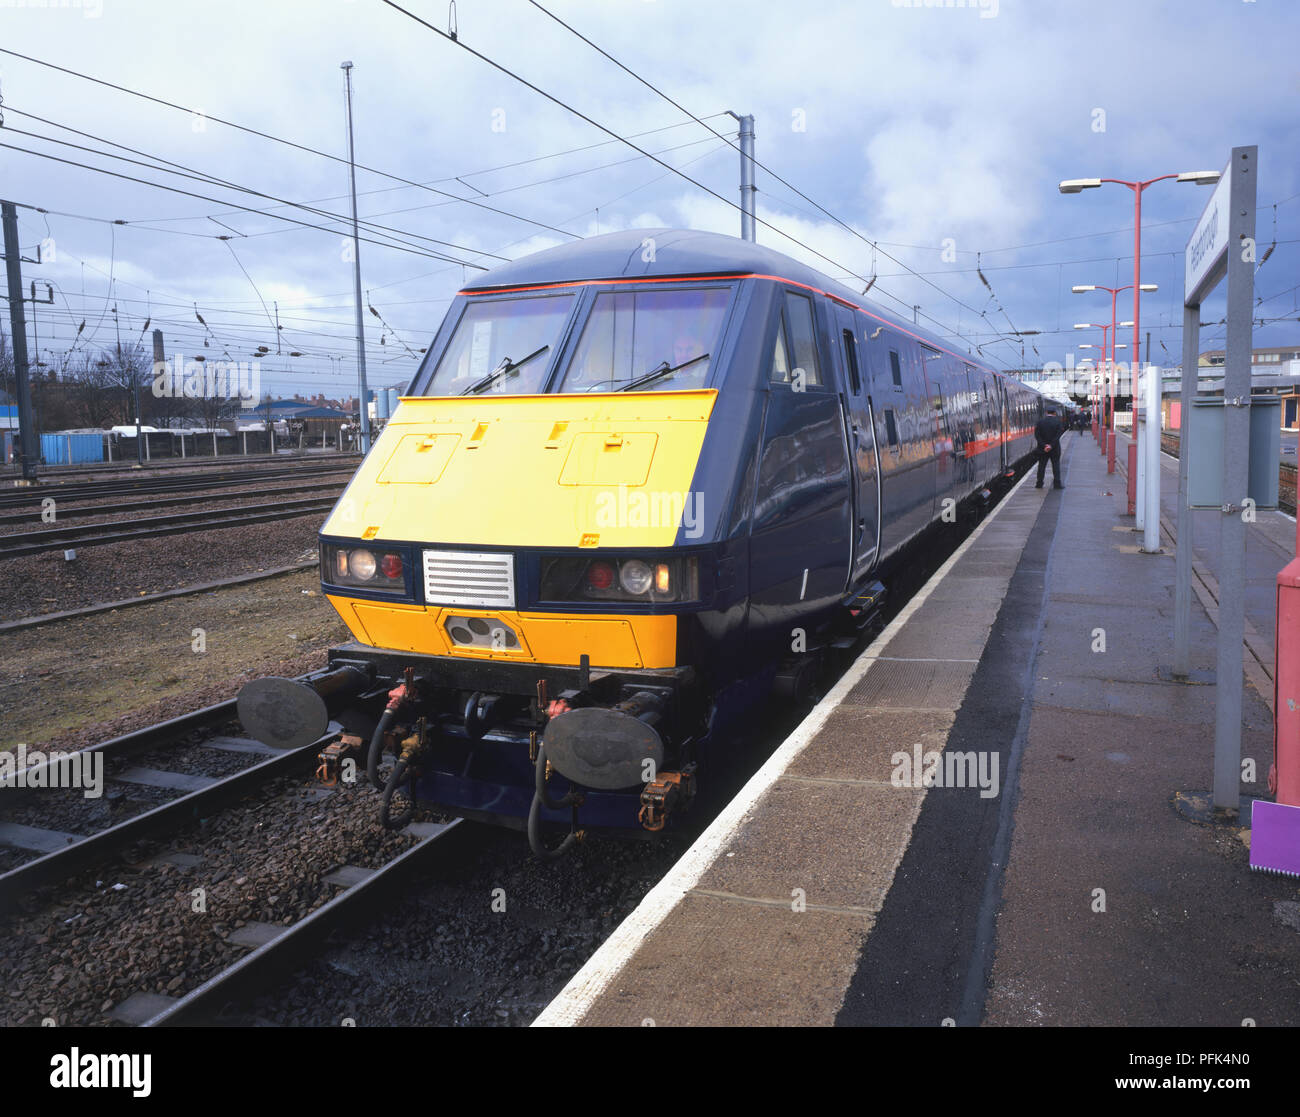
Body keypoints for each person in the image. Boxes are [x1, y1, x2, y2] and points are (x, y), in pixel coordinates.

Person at [1034, 406, 1065, 489]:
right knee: (1056, 466)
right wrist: (1051, 445)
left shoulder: (1040, 422)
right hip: (1054, 449)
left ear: (1046, 412)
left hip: (1042, 449)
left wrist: (1044, 445)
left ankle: (1039, 483)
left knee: (1041, 466)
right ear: (1054, 413)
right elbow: (1058, 436)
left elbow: (1037, 436)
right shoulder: (1058, 422)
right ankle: (1057, 484)